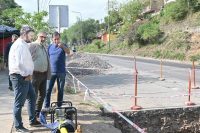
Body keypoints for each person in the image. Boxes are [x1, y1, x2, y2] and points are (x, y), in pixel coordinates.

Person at [9, 25, 40, 133]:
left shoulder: (23, 44)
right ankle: (18, 126)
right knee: (19, 103)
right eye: (30, 35)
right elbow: (19, 63)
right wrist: (25, 75)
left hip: (24, 76)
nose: (32, 37)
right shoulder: (19, 45)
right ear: (24, 34)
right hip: (20, 77)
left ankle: (32, 120)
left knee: (32, 96)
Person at [44, 31, 70, 108]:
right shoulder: (50, 47)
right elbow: (47, 58)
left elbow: (69, 52)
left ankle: (59, 106)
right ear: (52, 39)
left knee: (60, 90)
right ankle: (47, 106)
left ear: (60, 38)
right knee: (48, 90)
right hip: (51, 72)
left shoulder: (63, 45)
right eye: (55, 39)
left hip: (61, 72)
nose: (56, 41)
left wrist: (63, 47)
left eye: (58, 39)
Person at [29, 31, 51, 118]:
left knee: (43, 94)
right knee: (33, 95)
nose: (43, 39)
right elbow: (28, 59)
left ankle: (37, 112)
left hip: (44, 74)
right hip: (35, 74)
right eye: (42, 37)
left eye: (45, 37)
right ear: (38, 36)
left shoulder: (43, 47)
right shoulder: (33, 45)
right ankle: (32, 114)